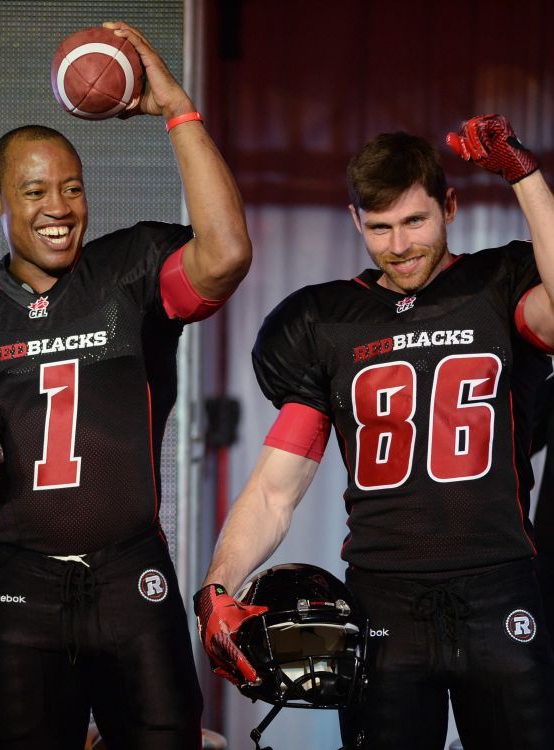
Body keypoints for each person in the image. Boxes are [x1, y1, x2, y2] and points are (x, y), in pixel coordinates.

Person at [0, 21, 251, 750]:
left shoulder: (131, 270)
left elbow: (226, 253)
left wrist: (175, 107)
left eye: (72, 188)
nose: (59, 207)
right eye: (34, 191)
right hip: (19, 587)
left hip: (132, 577)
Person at [193, 116, 554, 749]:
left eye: (415, 222)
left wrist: (524, 176)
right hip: (383, 600)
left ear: (449, 206)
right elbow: (277, 488)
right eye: (380, 227)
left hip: (499, 589)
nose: (400, 245)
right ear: (356, 222)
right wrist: (217, 588)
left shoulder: (501, 285)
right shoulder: (328, 321)